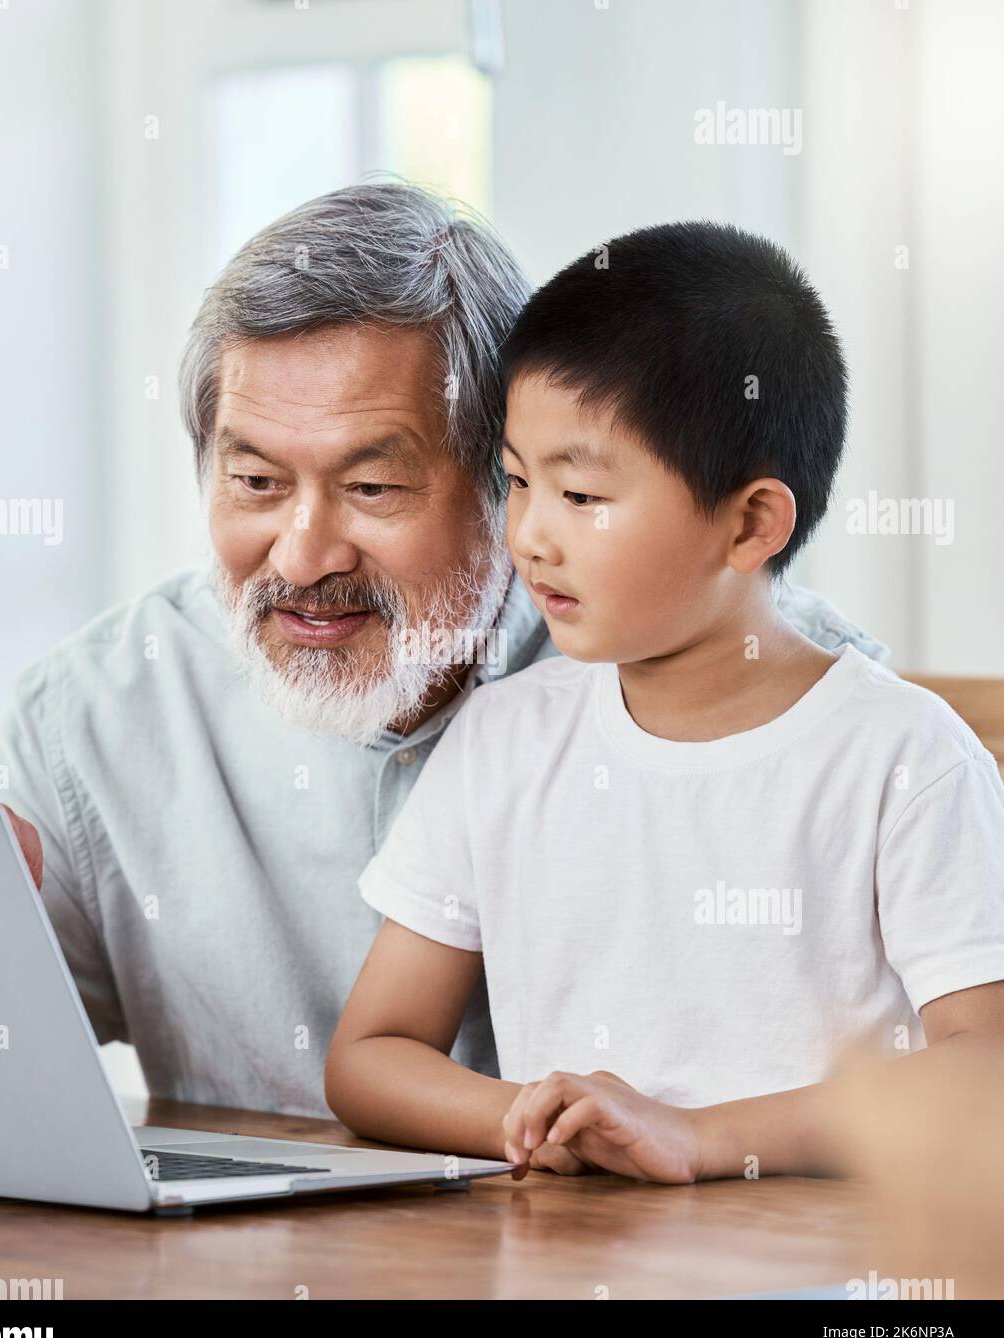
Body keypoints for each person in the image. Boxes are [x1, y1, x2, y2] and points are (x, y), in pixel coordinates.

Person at [0, 186, 884, 1120]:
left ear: (506, 483)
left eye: (373, 487)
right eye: (255, 481)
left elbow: (915, 1105)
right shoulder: (95, 716)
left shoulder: (770, 691)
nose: (303, 557)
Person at [326, 221, 1004, 1179]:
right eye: (517, 481)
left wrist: (699, 1137)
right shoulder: (503, 739)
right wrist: (538, 1119)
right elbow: (370, 1056)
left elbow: (985, 1069)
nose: (530, 536)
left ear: (751, 524)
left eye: (582, 496)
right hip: (567, 1245)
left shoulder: (903, 757)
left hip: (817, 1254)